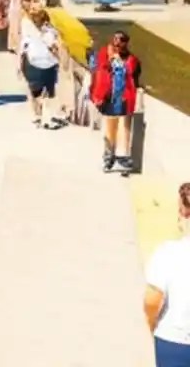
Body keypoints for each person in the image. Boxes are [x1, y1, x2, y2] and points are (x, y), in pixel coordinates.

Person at [144, 183, 190, 366]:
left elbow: (152, 300)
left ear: (183, 214)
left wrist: (152, 324)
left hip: (173, 340)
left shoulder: (168, 253)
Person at [90, 30, 143, 174]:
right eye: (116, 41)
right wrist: (110, 59)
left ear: (126, 43)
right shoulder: (104, 55)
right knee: (110, 127)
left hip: (125, 97)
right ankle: (109, 156)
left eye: (121, 41)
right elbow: (97, 71)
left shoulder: (132, 60)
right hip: (109, 96)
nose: (118, 44)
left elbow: (135, 78)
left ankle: (123, 156)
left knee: (125, 127)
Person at [20, 7, 66, 129]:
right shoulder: (51, 33)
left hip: (33, 64)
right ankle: (45, 118)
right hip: (49, 65)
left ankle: (37, 115)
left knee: (35, 93)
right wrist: (60, 59)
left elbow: (23, 50)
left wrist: (20, 66)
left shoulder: (29, 34)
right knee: (48, 94)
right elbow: (54, 48)